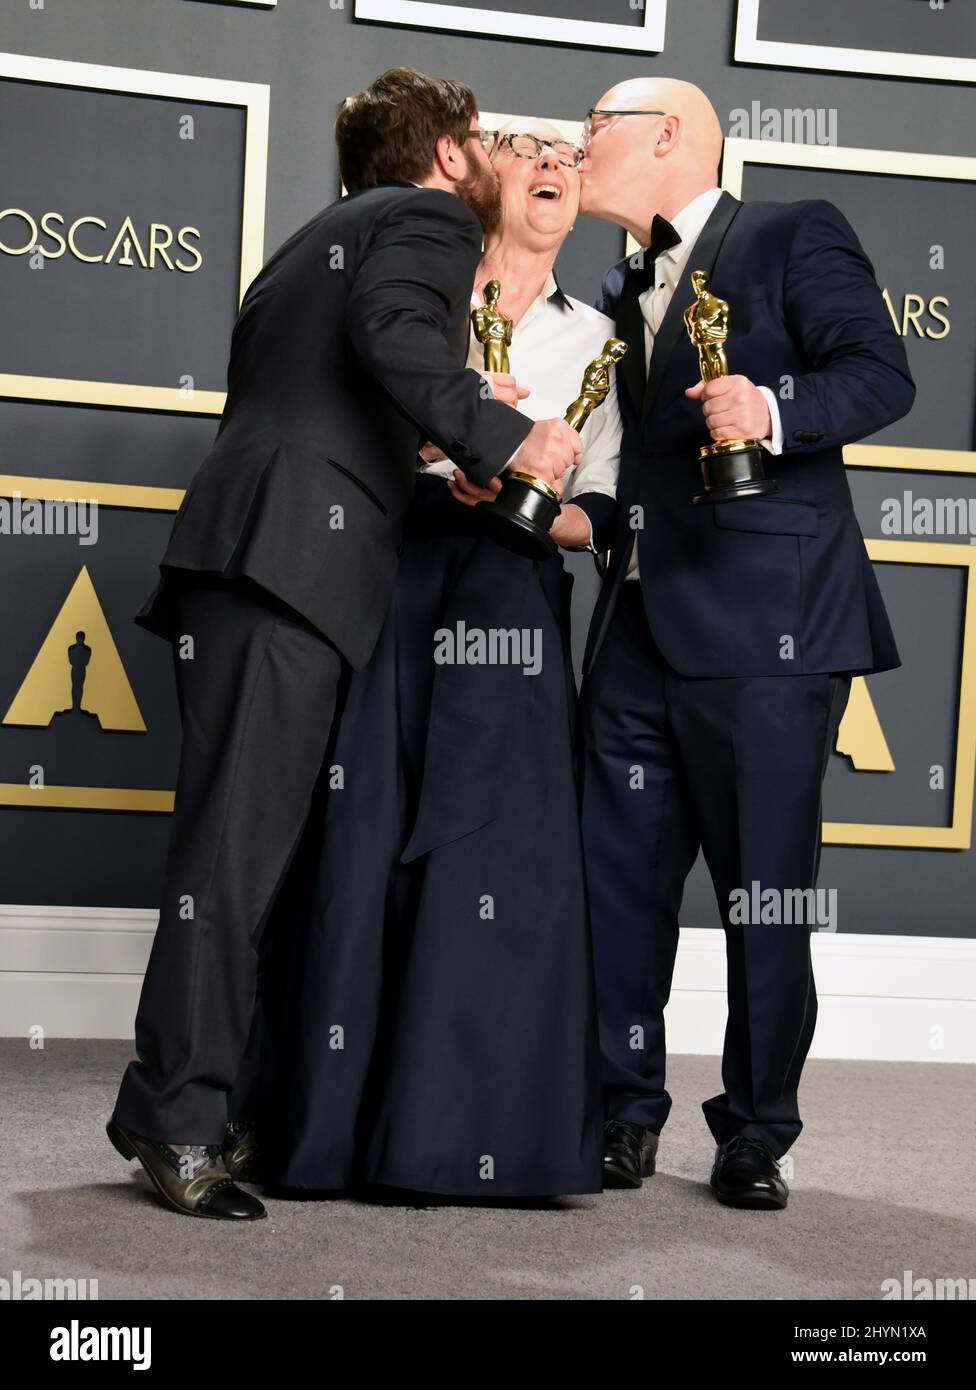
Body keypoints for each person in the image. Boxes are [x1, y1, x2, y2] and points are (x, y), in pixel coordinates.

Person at [106, 69, 582, 1221]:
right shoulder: (422, 221)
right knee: (230, 866)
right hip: (284, 572)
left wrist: (440, 459)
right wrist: (510, 436)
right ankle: (176, 1127)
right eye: (483, 143)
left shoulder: (310, 243)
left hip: (257, 564)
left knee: (239, 859)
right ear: (453, 156)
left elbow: (338, 391)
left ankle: (193, 1107)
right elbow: (391, 342)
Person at [569, 78, 915, 1208]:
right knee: (614, 889)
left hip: (768, 628)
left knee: (764, 893)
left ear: (666, 134)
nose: (576, 147)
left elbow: (879, 374)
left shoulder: (789, 230)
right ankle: (620, 1113)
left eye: (593, 129)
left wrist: (767, 409)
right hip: (635, 624)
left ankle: (755, 1130)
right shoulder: (615, 284)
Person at [269, 119, 622, 1199]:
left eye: (569, 152)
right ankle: (327, 1134)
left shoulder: (610, 338)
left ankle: (467, 1135)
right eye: (525, 148)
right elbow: (339, 422)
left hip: (512, 586)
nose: (552, 163)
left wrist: (527, 493)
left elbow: (607, 515)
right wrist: (447, 449)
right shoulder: (412, 283)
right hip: (391, 569)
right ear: (475, 173)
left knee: (493, 862)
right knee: (359, 829)